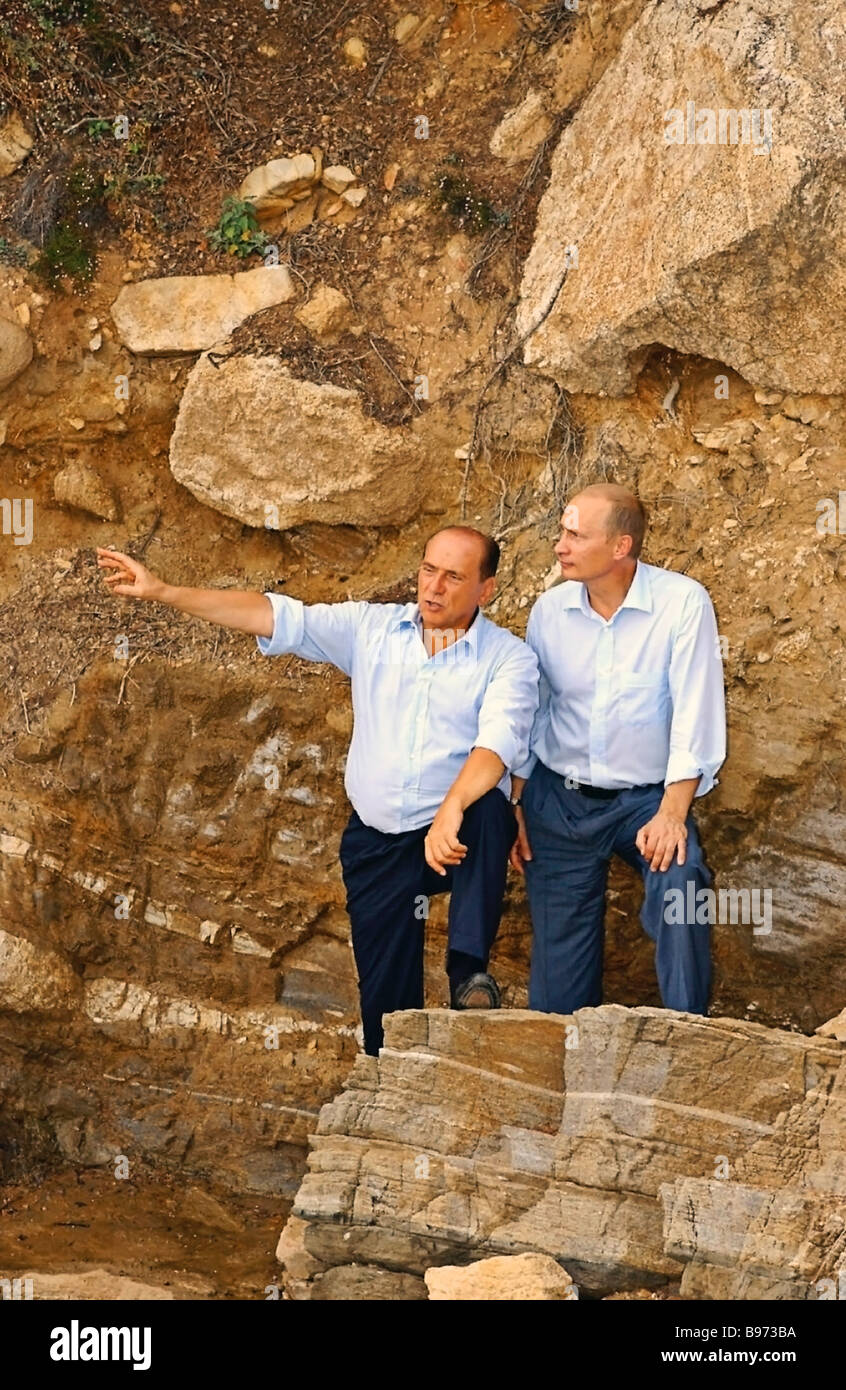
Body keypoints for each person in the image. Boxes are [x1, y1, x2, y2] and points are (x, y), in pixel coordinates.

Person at [97, 527, 538, 1055]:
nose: (434, 587)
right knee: (386, 1009)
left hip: (450, 833)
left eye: (453, 576)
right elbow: (274, 615)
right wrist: (165, 591)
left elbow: (496, 747)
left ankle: (469, 974)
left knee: (490, 809)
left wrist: (451, 808)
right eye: (428, 570)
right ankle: (388, 1088)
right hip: (377, 842)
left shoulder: (509, 659)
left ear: (485, 589)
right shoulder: (371, 629)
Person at [509, 483, 726, 1016]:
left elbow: (696, 715)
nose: (560, 545)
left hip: (646, 800)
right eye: (562, 531)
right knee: (556, 998)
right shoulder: (550, 611)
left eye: (576, 535)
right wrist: (513, 804)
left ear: (621, 547)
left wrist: (673, 814)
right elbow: (530, 715)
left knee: (681, 881)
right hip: (558, 803)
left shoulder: (681, 605)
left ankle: (687, 1029)